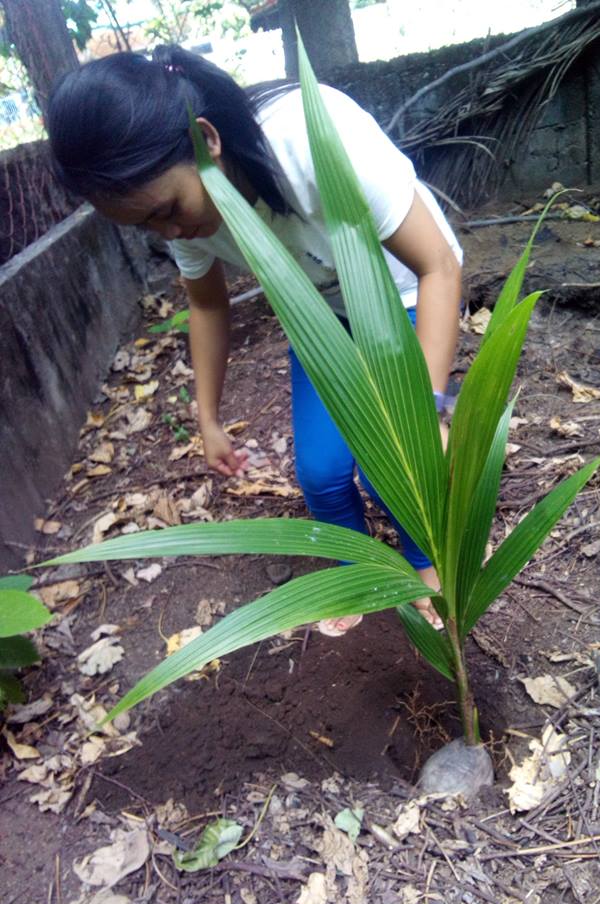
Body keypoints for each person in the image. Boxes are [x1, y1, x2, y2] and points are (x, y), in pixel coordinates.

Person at [47, 45, 462, 635]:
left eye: (167, 210)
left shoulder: (312, 142)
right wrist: (208, 418)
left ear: (206, 139)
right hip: (318, 316)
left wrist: (429, 410)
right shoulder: (183, 210)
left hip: (402, 294)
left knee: (389, 464)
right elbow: (208, 303)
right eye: (145, 225)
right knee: (320, 473)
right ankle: (357, 573)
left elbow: (438, 266)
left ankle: (425, 564)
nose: (169, 232)